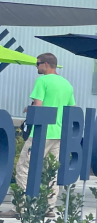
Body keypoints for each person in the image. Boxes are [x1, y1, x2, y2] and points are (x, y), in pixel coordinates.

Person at [13, 52, 75, 208]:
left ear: (46, 64)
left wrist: (31, 108)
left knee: (23, 167)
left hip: (41, 133)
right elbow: (71, 109)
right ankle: (49, 207)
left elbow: (39, 106)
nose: (36, 67)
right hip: (59, 133)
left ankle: (21, 206)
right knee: (52, 170)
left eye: (37, 63)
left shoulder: (42, 81)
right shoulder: (67, 84)